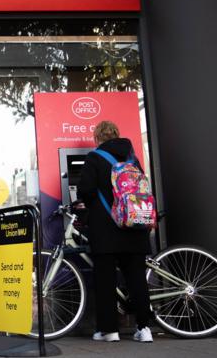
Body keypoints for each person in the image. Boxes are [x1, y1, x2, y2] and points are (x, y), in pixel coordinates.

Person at [76, 120, 153, 343]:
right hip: (135, 225)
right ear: (117, 134)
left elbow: (86, 190)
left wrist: (84, 203)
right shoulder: (132, 158)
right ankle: (144, 328)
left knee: (105, 280)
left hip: (107, 228)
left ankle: (109, 331)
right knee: (137, 278)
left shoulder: (94, 157)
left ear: (97, 138)